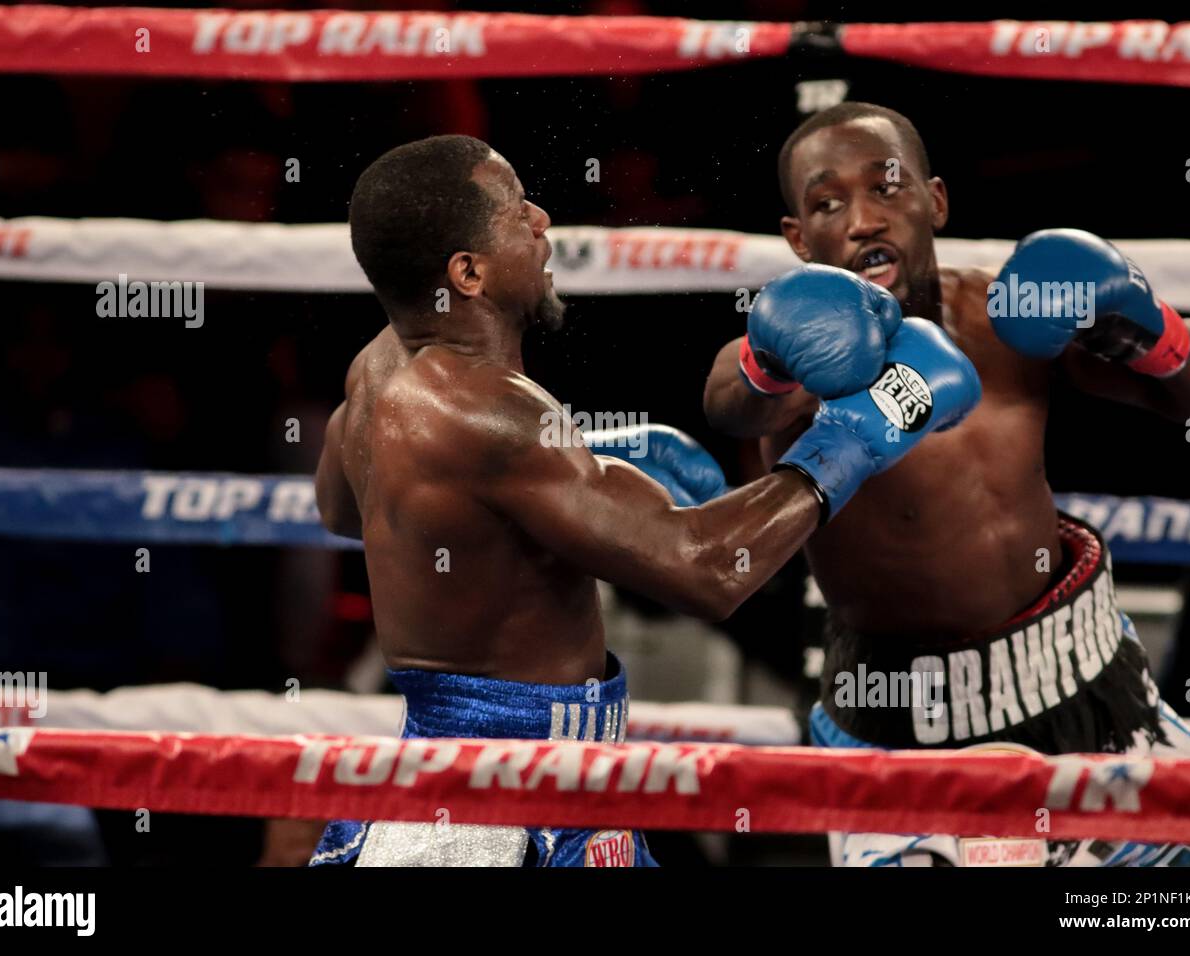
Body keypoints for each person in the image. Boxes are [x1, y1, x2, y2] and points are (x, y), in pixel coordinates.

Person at [309, 134, 979, 866]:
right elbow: (706, 570)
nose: (540, 219)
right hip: (498, 804)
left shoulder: (376, 369)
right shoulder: (484, 412)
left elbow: (344, 510)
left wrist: (559, 478)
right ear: (467, 272)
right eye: (514, 212)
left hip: (518, 776)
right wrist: (850, 440)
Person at [703, 102, 1190, 867]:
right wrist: (770, 357)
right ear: (798, 238)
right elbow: (730, 400)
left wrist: (1144, 323)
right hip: (905, 725)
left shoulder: (1009, 319)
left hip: (1083, 678)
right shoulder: (802, 355)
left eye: (887, 189)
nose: (861, 220)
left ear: (936, 201)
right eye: (828, 204)